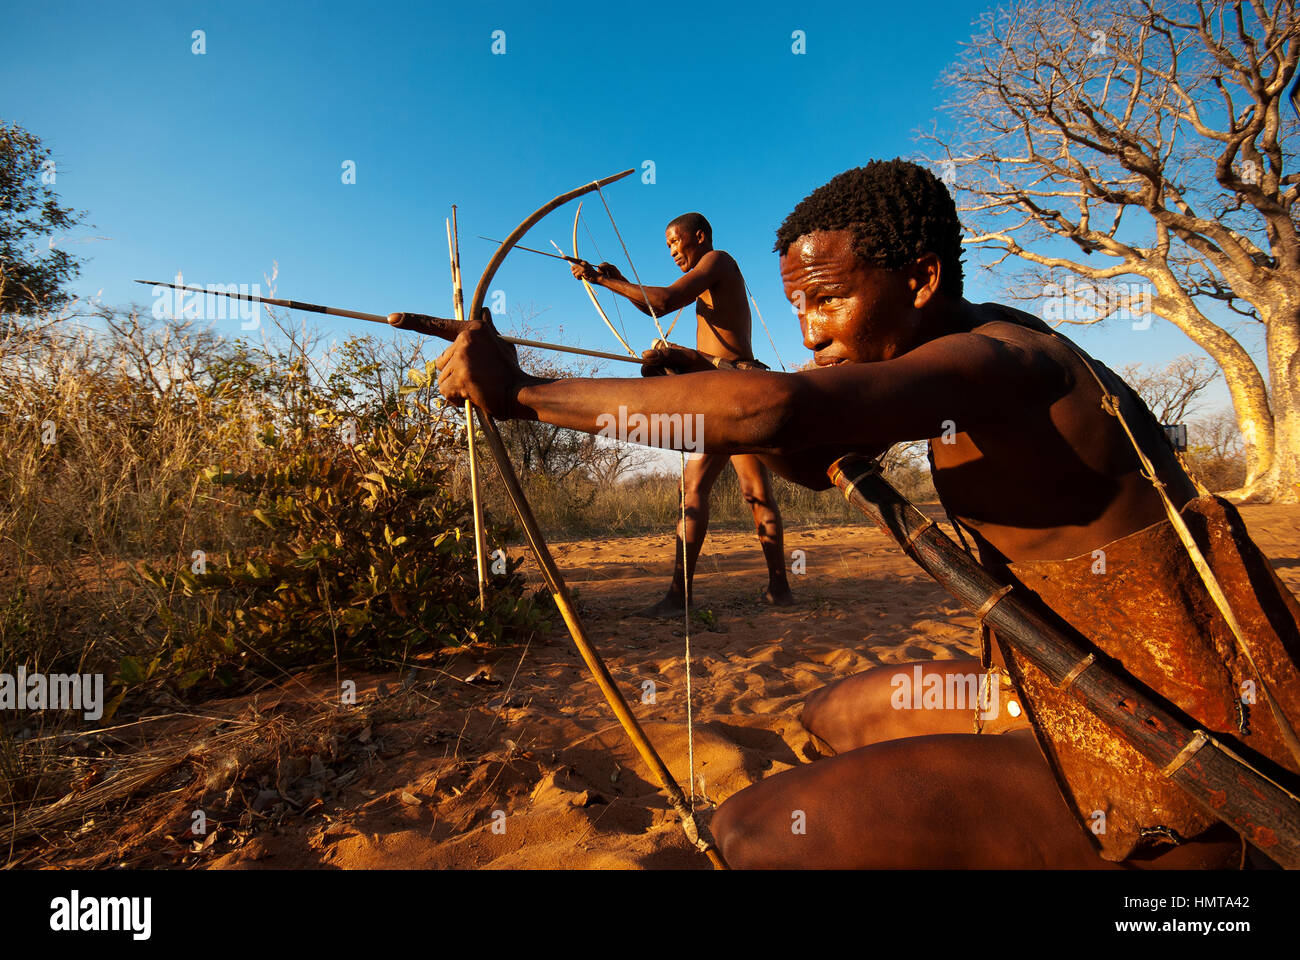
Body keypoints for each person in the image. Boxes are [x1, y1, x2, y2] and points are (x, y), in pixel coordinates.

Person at [427, 159, 1300, 868]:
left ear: (920, 278)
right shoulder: (962, 353)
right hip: (1060, 684)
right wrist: (691, 390)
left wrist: (524, 393)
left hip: (1168, 752)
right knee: (832, 715)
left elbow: (779, 413)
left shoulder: (1000, 361)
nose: (808, 332)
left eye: (828, 299)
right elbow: (806, 456)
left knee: (751, 832)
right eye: (799, 305)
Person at [569, 213, 793, 615]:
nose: (673, 251)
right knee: (753, 492)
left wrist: (604, 281)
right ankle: (779, 589)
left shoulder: (718, 261)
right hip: (732, 390)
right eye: (668, 246)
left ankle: (679, 597)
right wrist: (615, 278)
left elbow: (664, 300)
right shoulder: (709, 275)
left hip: (732, 390)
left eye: (676, 242)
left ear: (700, 237)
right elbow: (653, 306)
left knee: (696, 491)